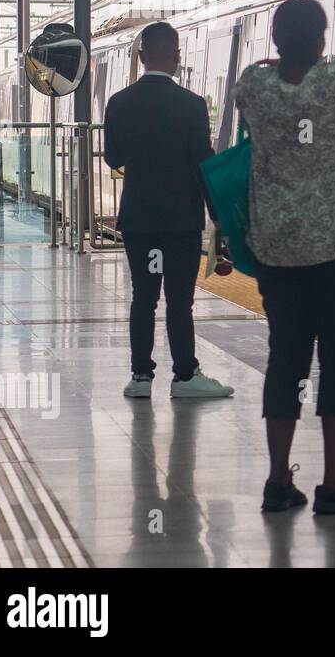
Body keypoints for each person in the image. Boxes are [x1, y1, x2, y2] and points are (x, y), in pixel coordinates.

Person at [234, 0, 335, 515]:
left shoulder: (253, 82)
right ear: (322, 39)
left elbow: (246, 110)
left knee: (287, 357)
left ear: (275, 41)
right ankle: (334, 484)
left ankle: (278, 481)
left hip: (277, 246)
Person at [103, 21, 235, 400]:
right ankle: (185, 376)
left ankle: (140, 377)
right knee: (180, 299)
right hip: (180, 221)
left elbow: (113, 158)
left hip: (140, 220)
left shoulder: (119, 103)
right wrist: (218, 216)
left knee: (143, 296)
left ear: (141, 57)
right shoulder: (191, 106)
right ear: (177, 57)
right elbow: (202, 164)